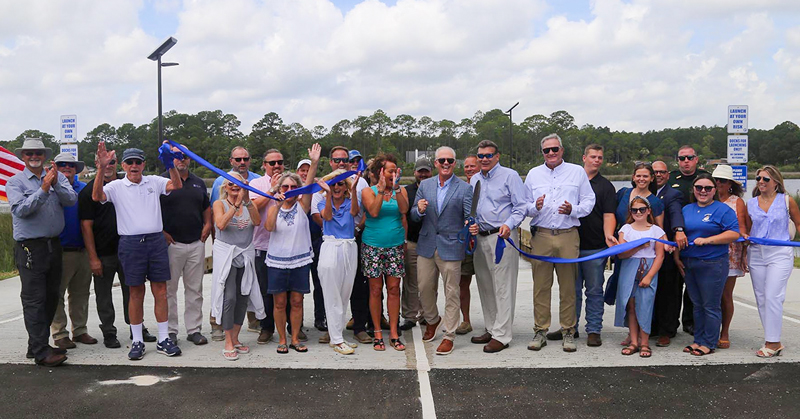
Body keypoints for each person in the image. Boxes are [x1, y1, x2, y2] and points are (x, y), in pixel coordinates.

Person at [92, 142, 183, 360]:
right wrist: (100, 169)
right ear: (123, 165)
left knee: (160, 291)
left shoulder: (154, 181)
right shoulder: (116, 186)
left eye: (138, 162)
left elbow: (176, 186)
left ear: (143, 164)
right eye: (130, 162)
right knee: (135, 292)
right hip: (131, 243)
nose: (134, 166)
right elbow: (97, 197)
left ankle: (163, 339)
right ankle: (137, 340)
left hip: (156, 242)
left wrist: (171, 164)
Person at [7, 138, 78, 367]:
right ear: (23, 156)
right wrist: (44, 188)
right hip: (30, 248)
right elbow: (21, 210)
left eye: (38, 152)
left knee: (50, 297)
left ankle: (35, 344)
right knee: (34, 299)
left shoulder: (56, 178)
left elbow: (71, 200)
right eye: (29, 153)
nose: (34, 156)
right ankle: (41, 351)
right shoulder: (15, 182)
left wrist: (55, 183)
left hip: (53, 245)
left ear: (45, 156)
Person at [526, 134, 595, 353]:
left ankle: (568, 331)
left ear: (562, 150)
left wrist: (573, 210)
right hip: (542, 235)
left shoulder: (577, 172)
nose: (551, 153)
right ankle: (540, 330)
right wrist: (534, 207)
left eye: (555, 149)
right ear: (542, 153)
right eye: (547, 150)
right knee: (541, 287)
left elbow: (589, 201)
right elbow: (523, 205)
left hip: (567, 234)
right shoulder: (533, 174)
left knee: (568, 287)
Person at [80, 154, 156, 348]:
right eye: (102, 163)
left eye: (111, 162)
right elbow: (86, 226)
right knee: (103, 294)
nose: (107, 166)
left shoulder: (126, 186)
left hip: (129, 249)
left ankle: (136, 328)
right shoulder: (89, 192)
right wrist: (93, 258)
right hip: (103, 252)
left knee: (133, 291)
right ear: (97, 164)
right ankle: (108, 331)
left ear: (118, 165)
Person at [467, 140, 529, 353]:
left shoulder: (510, 176)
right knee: (485, 286)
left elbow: (521, 208)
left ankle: (502, 335)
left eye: (488, 155)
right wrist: (471, 223)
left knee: (503, 286)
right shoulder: (474, 179)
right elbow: (473, 208)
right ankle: (492, 328)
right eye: (481, 156)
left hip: (502, 236)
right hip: (481, 237)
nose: (484, 159)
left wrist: (508, 225)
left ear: (497, 156)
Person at [410, 146, 472, 355]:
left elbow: (469, 216)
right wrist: (418, 209)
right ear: (436, 163)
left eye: (450, 161)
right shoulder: (425, 185)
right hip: (427, 244)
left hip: (452, 246)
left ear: (455, 163)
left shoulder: (464, 188)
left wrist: (470, 224)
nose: (446, 164)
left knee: (452, 291)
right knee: (424, 287)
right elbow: (414, 216)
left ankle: (449, 335)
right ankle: (433, 320)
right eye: (442, 161)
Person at [558, 144, 617, 347]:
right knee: (570, 290)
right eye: (593, 156)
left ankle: (593, 329)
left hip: (595, 247)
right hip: (569, 243)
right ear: (584, 158)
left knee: (594, 290)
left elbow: (609, 214)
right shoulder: (571, 181)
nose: (597, 160)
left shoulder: (606, 186)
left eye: (600, 157)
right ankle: (569, 327)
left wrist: (609, 235)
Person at [675, 173, 740, 356]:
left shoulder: (723, 210)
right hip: (690, 262)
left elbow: (734, 234)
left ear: (714, 190)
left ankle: (709, 342)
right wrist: (677, 257)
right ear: (693, 190)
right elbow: (680, 235)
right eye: (699, 188)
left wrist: (709, 240)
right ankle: (698, 340)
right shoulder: (687, 209)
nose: (703, 191)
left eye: (708, 188)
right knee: (697, 304)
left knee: (710, 305)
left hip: (713, 263)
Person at [265, 144, 320, 354]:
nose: (288, 191)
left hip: (299, 261)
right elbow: (269, 227)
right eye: (284, 187)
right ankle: (282, 339)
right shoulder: (273, 208)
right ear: (279, 190)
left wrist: (314, 162)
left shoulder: (303, 205)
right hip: (277, 262)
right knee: (279, 303)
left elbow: (309, 182)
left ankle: (295, 338)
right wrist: (277, 204)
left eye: (292, 187)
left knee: (297, 301)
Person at [744, 165, 800, 357]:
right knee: (761, 298)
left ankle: (773, 342)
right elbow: (748, 231)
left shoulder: (786, 201)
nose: (761, 181)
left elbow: (798, 223)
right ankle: (771, 338)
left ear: (776, 181)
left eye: (765, 179)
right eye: (758, 178)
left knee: (773, 296)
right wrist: (744, 253)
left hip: (780, 252)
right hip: (757, 253)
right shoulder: (750, 204)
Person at [160, 147, 212, 345]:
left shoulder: (198, 183)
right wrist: (161, 232)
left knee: (194, 289)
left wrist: (207, 224)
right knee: (169, 290)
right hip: (171, 243)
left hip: (196, 243)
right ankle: (171, 330)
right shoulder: (162, 181)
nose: (180, 159)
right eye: (175, 156)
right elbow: (153, 208)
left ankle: (193, 329)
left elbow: (205, 207)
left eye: (184, 156)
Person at [209, 146, 262, 340]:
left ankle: (237, 336)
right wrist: (237, 203)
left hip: (245, 253)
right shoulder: (219, 200)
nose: (234, 187)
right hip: (228, 255)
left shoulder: (251, 196)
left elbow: (257, 222)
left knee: (243, 296)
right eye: (230, 184)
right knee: (228, 295)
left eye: (245, 158)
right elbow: (220, 224)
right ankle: (222, 329)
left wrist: (246, 201)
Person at [361, 153, 409, 351]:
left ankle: (394, 332)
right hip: (372, 246)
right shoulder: (368, 191)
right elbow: (373, 211)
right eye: (390, 170)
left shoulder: (401, 190)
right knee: (374, 290)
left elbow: (404, 210)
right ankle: (378, 332)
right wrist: (381, 190)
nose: (394, 173)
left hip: (395, 245)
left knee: (393, 289)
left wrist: (396, 189)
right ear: (380, 172)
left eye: (396, 170)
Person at [50, 153, 98, 350]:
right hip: (59, 250)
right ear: (56, 167)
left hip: (83, 249)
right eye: (61, 165)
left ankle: (79, 330)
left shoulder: (84, 189)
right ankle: (60, 334)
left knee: (80, 293)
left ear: (76, 169)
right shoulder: (50, 188)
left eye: (70, 165)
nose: (66, 168)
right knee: (57, 294)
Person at [314, 170, 361, 354]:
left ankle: (337, 336)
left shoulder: (350, 202)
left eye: (340, 184)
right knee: (332, 295)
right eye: (333, 184)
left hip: (349, 247)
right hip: (331, 247)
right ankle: (337, 339)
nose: (336, 187)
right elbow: (326, 217)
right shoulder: (321, 202)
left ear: (346, 187)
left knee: (343, 294)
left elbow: (355, 213)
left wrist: (355, 189)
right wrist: (327, 194)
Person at [615, 197, 667, 358]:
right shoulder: (626, 229)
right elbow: (622, 254)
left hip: (648, 268)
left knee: (645, 304)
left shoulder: (656, 231)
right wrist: (638, 246)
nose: (638, 213)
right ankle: (634, 341)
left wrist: (650, 276)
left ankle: (645, 342)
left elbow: (660, 255)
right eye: (635, 210)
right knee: (630, 305)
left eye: (642, 209)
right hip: (629, 267)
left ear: (648, 211)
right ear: (630, 212)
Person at [669, 145, 709, 336]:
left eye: (689, 157)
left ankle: (690, 321)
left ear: (696, 159)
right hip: (675, 237)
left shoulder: (705, 177)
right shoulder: (671, 178)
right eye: (682, 158)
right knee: (674, 284)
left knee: (694, 284)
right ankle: (670, 323)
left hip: (698, 236)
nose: (686, 161)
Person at [650, 161, 687, 348]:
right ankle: (652, 327)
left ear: (668, 174)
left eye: (662, 172)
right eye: (655, 172)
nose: (658, 175)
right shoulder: (641, 193)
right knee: (649, 292)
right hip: (645, 253)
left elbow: (676, 213)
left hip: (667, 251)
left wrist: (678, 230)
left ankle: (667, 330)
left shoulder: (673, 194)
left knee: (669, 293)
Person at [711, 165, 747, 350]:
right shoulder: (706, 197)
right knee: (709, 295)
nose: (718, 184)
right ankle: (709, 330)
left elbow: (742, 228)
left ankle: (724, 332)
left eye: (723, 181)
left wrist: (743, 238)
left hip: (730, 253)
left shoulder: (737, 202)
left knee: (725, 295)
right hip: (708, 252)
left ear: (730, 184)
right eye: (716, 180)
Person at [399, 156, 432, 331]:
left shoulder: (436, 188)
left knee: (429, 282)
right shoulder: (407, 191)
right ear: (415, 173)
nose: (423, 174)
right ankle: (410, 316)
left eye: (426, 171)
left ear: (431, 172)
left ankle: (428, 314)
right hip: (412, 241)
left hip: (431, 242)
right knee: (411, 281)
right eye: (420, 171)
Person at [297, 158, 326, 337]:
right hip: (298, 243)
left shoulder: (319, 189)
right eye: (302, 170)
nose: (305, 173)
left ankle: (320, 318)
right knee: (298, 286)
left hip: (316, 240)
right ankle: (296, 323)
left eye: (309, 169)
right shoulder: (292, 189)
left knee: (320, 282)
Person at [456, 154, 479, 335]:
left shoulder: (484, 187)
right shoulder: (461, 188)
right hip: (466, 243)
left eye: (473, 166)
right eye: (467, 166)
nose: (469, 169)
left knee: (489, 283)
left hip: (485, 239)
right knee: (463, 282)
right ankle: (465, 320)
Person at [615, 163, 664, 229]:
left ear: (652, 178)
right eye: (638, 176)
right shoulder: (623, 193)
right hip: (621, 237)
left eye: (645, 176)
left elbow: (659, 229)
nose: (641, 179)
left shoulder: (656, 202)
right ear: (633, 177)